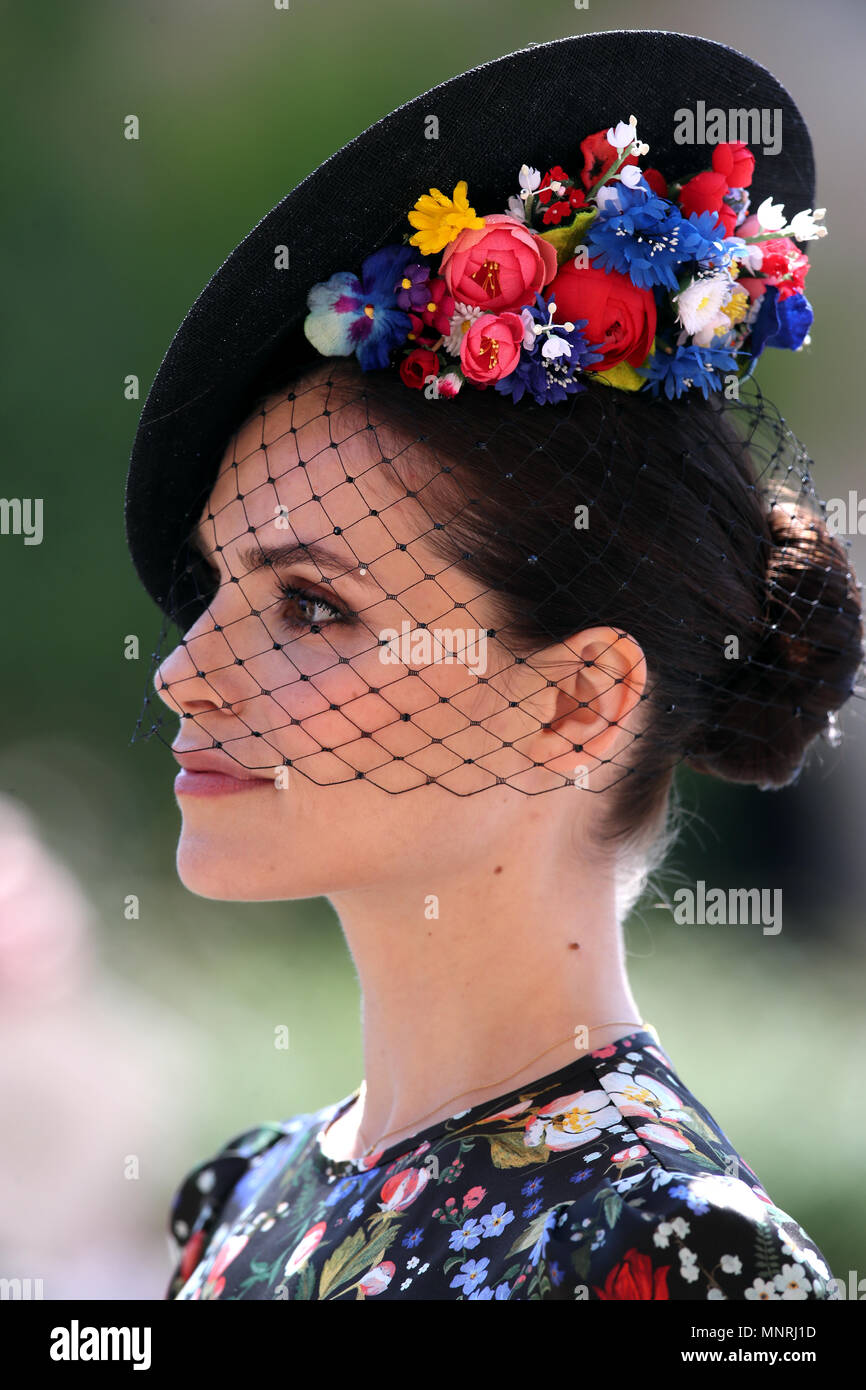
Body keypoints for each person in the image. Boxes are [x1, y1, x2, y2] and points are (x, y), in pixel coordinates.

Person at [124, 32, 863, 1300]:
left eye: (309, 605)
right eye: (215, 589)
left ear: (578, 699)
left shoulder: (674, 1255)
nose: (183, 674)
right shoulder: (242, 1200)